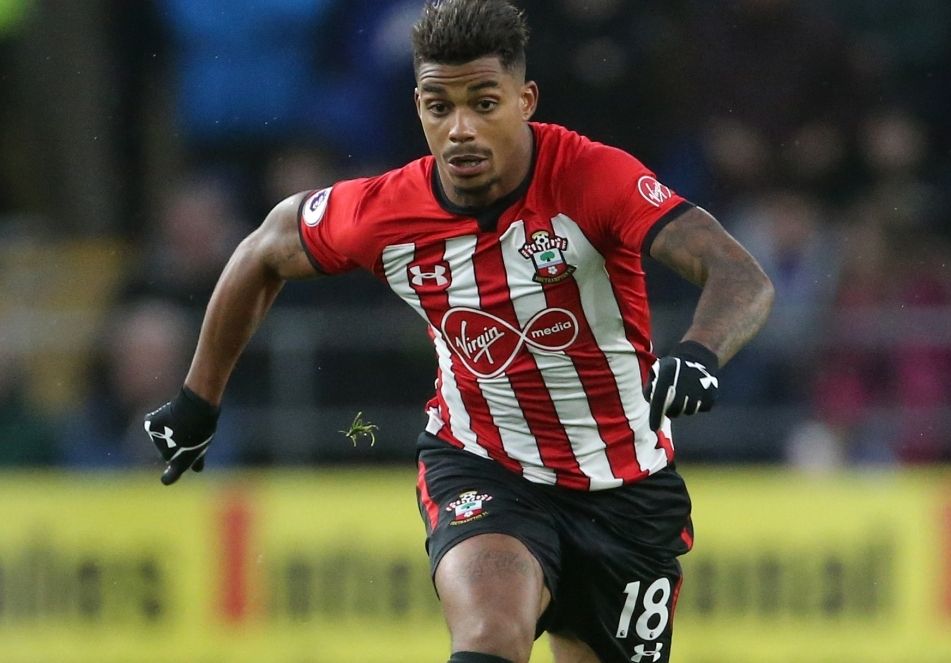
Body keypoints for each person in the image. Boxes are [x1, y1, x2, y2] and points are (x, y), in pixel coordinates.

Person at [143, 2, 774, 661]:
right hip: (483, 464)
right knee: (489, 635)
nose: (461, 130)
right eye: (439, 107)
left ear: (525, 99)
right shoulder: (386, 210)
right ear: (417, 105)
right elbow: (264, 250)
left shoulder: (592, 176)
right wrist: (197, 400)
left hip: (628, 490)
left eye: (483, 102)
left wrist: (701, 352)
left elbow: (737, 272)